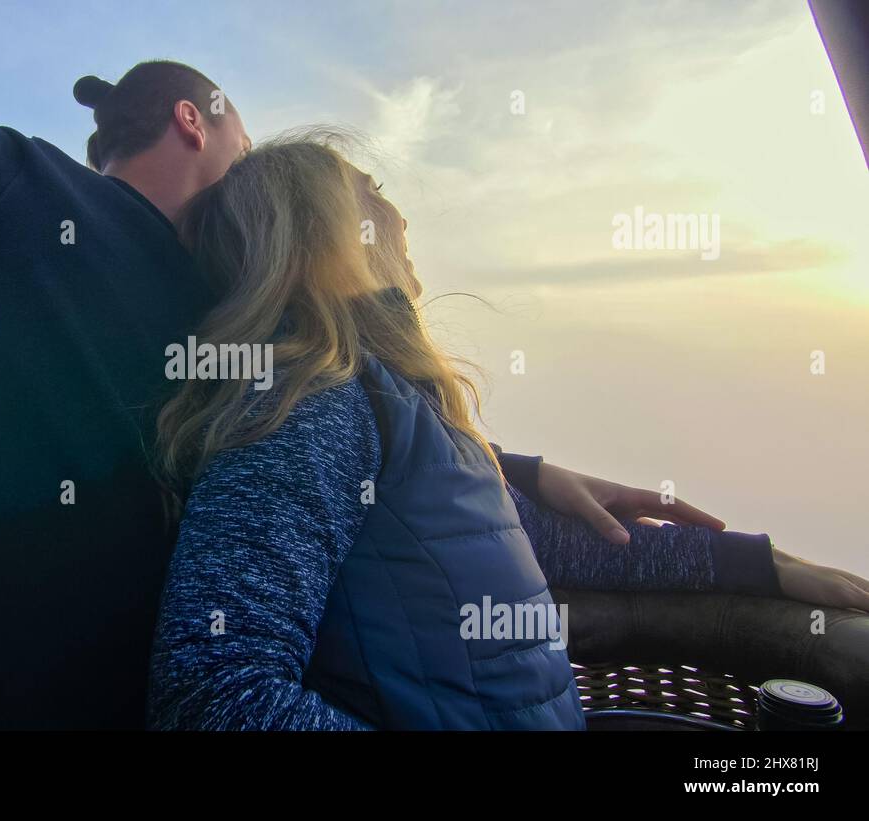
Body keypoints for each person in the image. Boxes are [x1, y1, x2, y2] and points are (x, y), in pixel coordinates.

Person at [0, 0, 739, 728]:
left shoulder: (266, 326)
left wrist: (522, 466)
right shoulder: (24, 207)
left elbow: (359, 431)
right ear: (199, 118)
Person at [146, 136, 869, 730]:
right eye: (370, 186)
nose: (397, 212)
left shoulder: (411, 413)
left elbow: (560, 544)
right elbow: (212, 693)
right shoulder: (309, 411)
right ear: (332, 228)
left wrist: (762, 563)